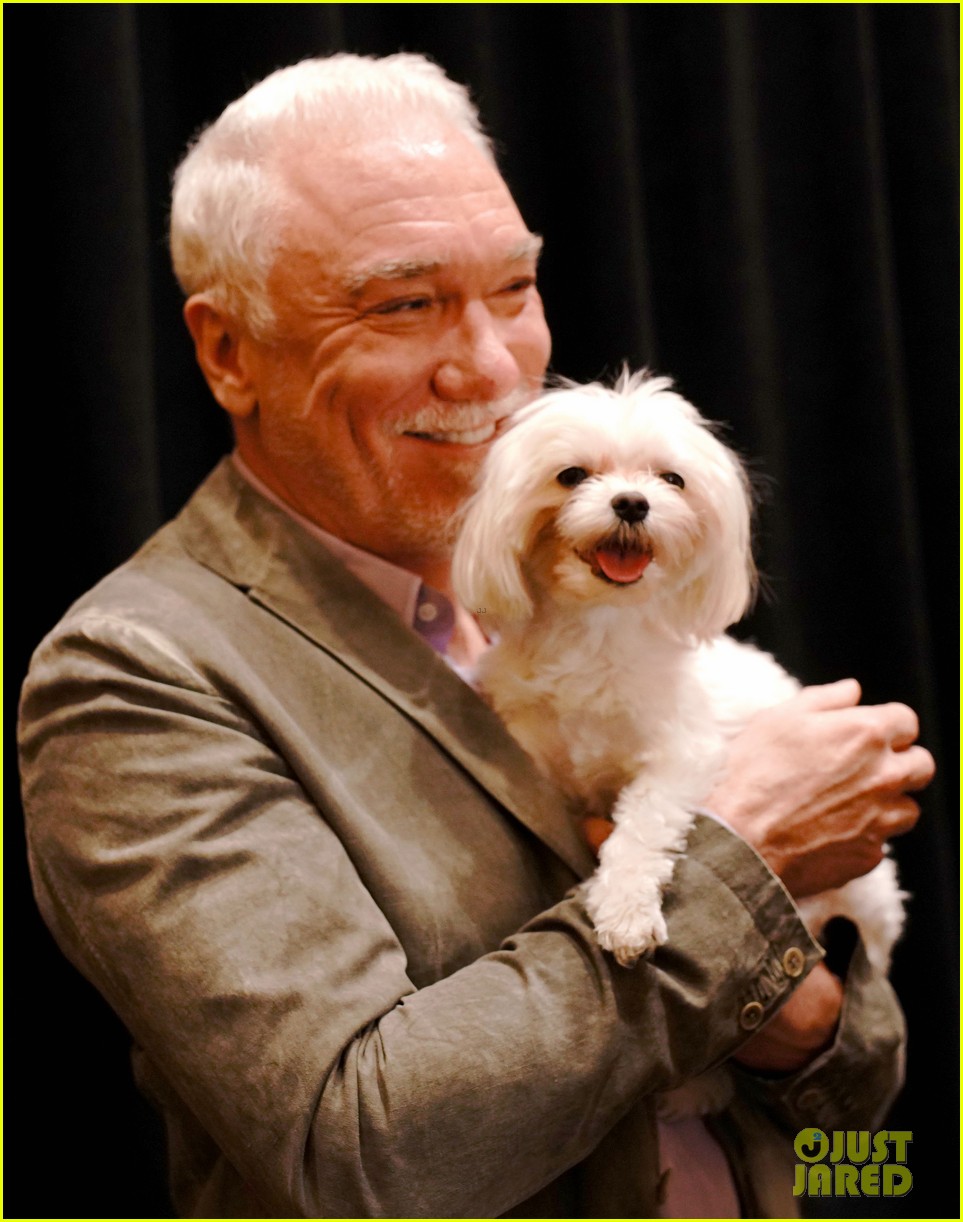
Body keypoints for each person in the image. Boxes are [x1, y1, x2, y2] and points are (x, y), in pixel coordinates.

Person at [18, 53, 933, 1219]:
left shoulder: (609, 562)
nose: (493, 367)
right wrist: (736, 870)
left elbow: (856, 1103)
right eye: (404, 304)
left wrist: (800, 1025)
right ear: (227, 351)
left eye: (513, 289)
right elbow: (365, 1153)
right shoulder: (136, 675)